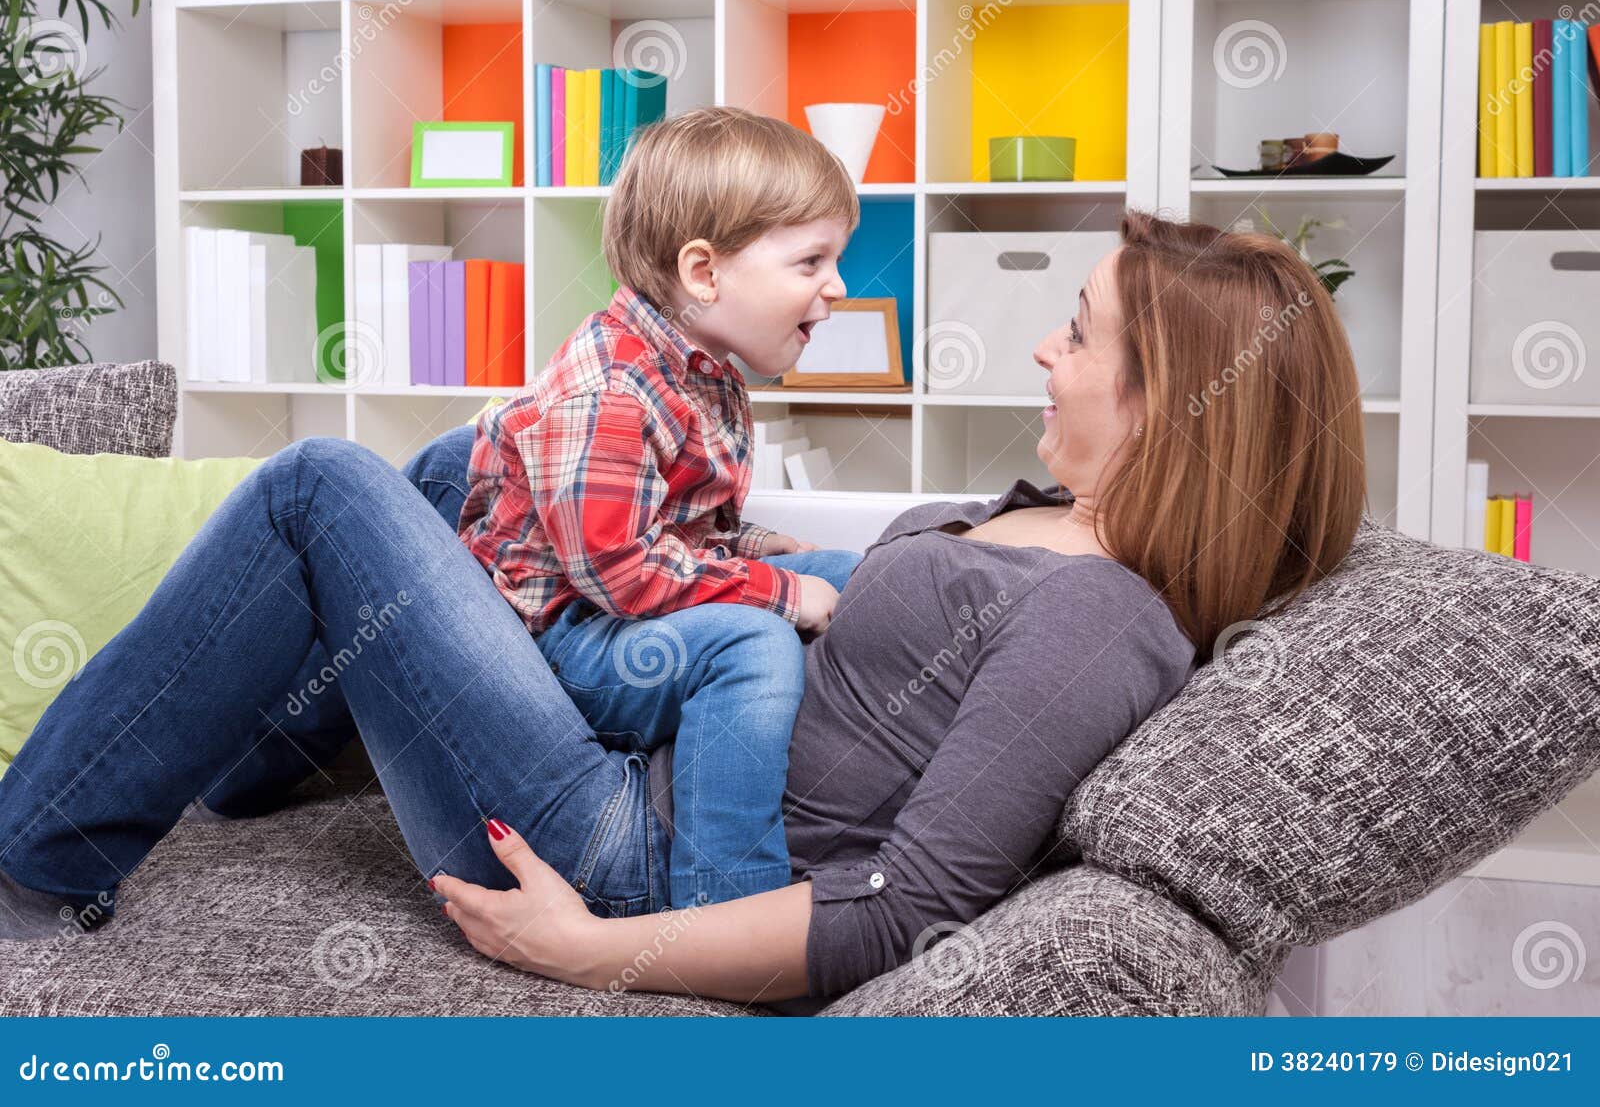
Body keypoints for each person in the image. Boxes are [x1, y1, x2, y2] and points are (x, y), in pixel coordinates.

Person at [0, 208, 1367, 1009]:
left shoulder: (1103, 619)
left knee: (320, 484)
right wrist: (729, 552)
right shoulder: (1041, 521)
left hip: (622, 845)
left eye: (1077, 334)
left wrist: (597, 949)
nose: (1042, 347)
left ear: (1167, 407)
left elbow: (907, 908)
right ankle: (256, 762)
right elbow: (865, 633)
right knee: (472, 462)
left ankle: (32, 864)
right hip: (634, 751)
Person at [454, 107, 863, 908]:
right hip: (564, 642)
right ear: (704, 273)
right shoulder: (611, 386)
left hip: (626, 611)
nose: (838, 287)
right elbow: (620, 568)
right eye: (811, 260)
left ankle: (846, 796)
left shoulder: (703, 370)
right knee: (752, 642)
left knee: (856, 571)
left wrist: (765, 546)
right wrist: (779, 591)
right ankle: (725, 905)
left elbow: (685, 522)